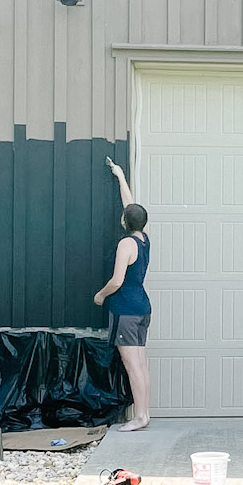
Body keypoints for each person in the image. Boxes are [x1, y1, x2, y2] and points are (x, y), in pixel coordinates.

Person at [93, 158, 152, 430]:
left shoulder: (126, 243)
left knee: (132, 366)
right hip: (141, 309)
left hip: (125, 311)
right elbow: (131, 205)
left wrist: (101, 296)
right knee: (140, 363)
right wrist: (120, 176)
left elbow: (116, 281)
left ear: (124, 220)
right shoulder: (143, 237)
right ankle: (145, 414)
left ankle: (140, 417)